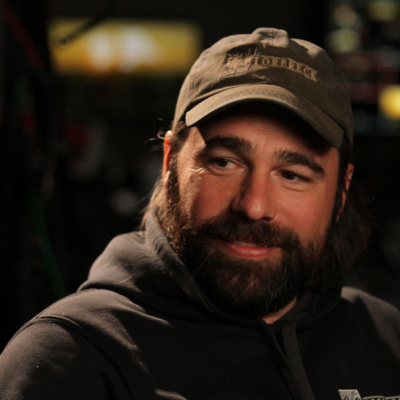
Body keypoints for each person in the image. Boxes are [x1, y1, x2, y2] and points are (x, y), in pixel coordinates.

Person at [0, 27, 399, 400]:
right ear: (169, 163)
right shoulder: (68, 360)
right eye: (225, 162)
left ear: (341, 191)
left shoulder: (386, 338)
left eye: (292, 175)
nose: (254, 206)